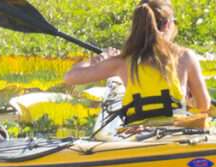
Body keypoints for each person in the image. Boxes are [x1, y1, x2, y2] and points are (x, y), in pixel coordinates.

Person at [63, 0, 210, 128]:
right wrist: (187, 99)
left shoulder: (122, 61)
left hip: (138, 134)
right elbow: (204, 105)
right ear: (167, 24)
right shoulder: (184, 57)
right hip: (175, 133)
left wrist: (101, 58)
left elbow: (70, 77)